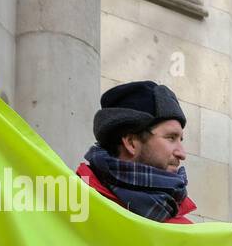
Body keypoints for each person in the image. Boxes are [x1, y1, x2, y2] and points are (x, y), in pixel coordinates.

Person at [77, 81, 198, 224]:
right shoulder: (70, 203)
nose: (182, 153)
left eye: (180, 140)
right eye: (171, 138)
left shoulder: (184, 231)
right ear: (131, 142)